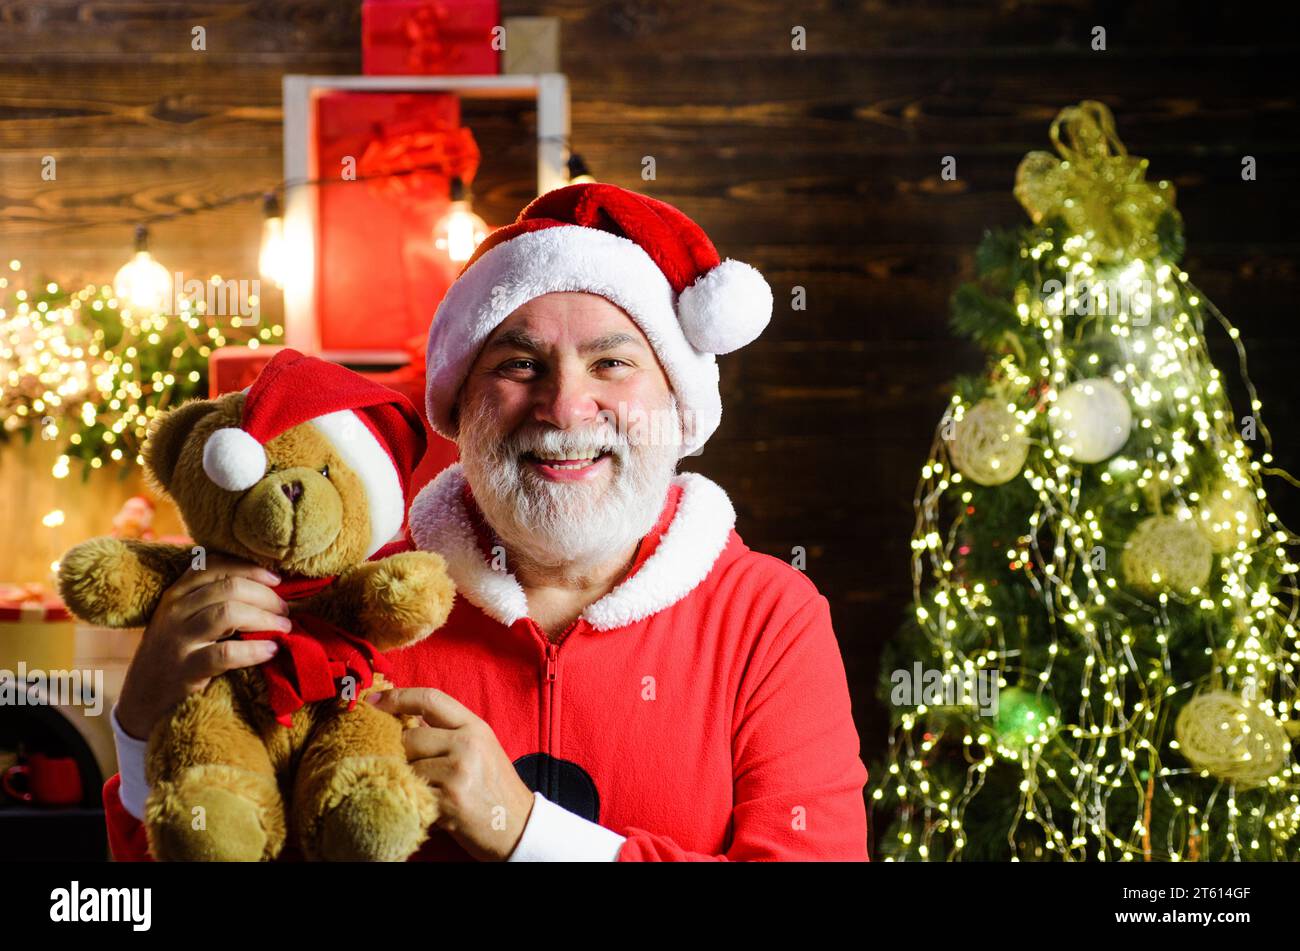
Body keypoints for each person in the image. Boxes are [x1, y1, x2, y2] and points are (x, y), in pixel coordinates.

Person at [102, 182, 869, 861]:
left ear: (677, 401)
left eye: (611, 363)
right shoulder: (349, 601)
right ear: (462, 407)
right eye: (519, 364)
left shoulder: (770, 619)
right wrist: (143, 730)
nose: (565, 407)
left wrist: (524, 831)